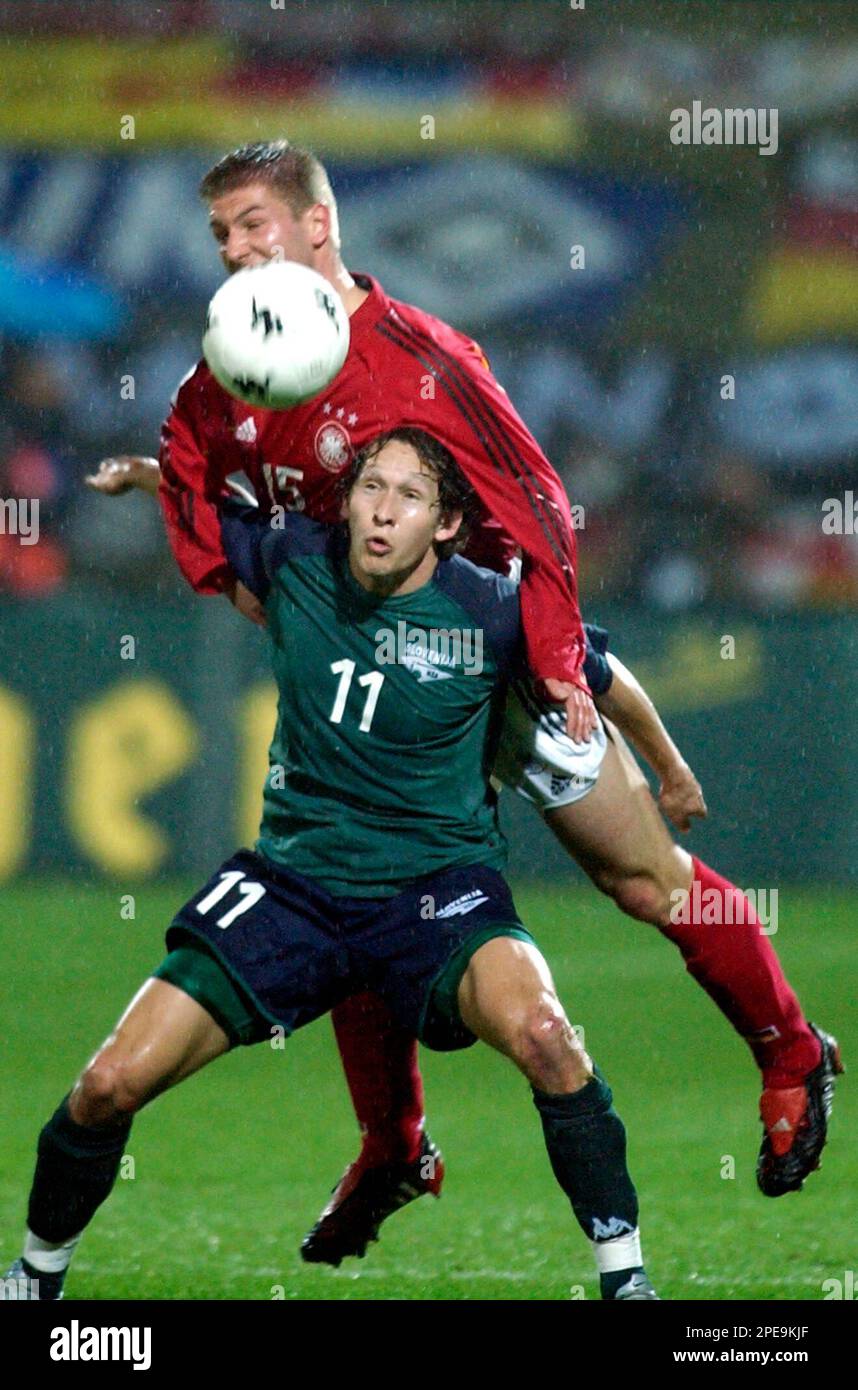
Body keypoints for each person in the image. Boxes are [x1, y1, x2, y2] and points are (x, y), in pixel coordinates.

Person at [86, 139, 841, 1264]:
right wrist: (213, 549)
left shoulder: (421, 360)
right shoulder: (228, 367)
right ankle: (394, 1148)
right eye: (220, 236)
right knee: (348, 873)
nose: (235, 252)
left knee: (643, 878)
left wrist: (544, 658)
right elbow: (195, 461)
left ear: (317, 224)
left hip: (478, 658)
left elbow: (537, 500)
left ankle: (789, 1047)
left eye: (252, 225)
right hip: (357, 673)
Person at [4, 429, 658, 1303]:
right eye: (370, 487)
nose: (383, 510)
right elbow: (209, 508)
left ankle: (629, 1284)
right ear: (344, 501)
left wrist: (672, 768)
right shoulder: (295, 556)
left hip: (438, 889)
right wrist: (156, 476)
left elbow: (604, 673)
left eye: (410, 496)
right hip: (294, 886)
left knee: (548, 1038)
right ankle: (32, 1281)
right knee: (107, 1084)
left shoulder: (494, 610)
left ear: (449, 523)